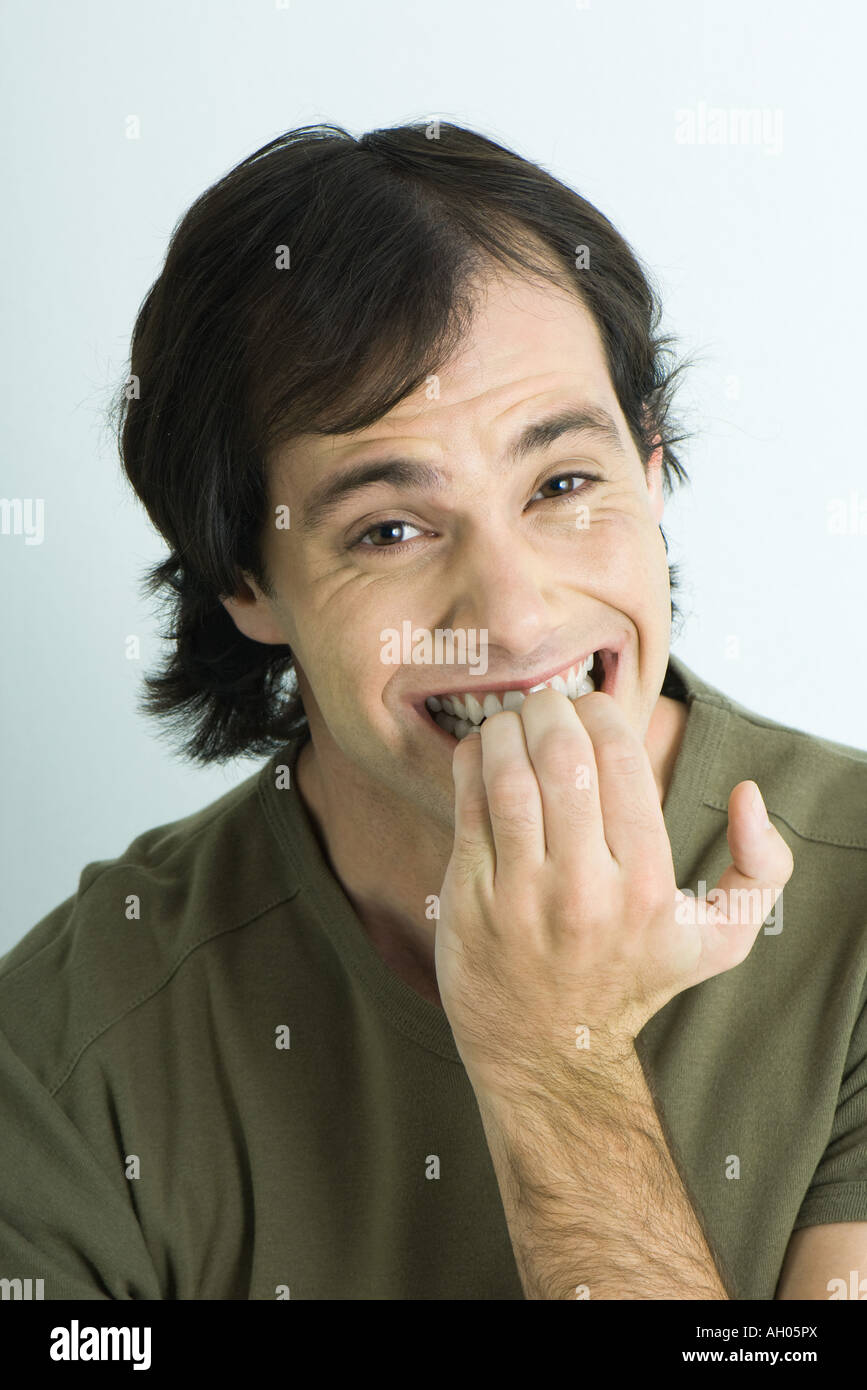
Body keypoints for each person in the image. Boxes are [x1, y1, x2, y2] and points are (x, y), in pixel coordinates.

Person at [1, 122, 865, 1302]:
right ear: (243, 578)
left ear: (650, 465)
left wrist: (555, 1062)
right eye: (390, 529)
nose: (513, 617)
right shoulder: (56, 1056)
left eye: (562, 482)